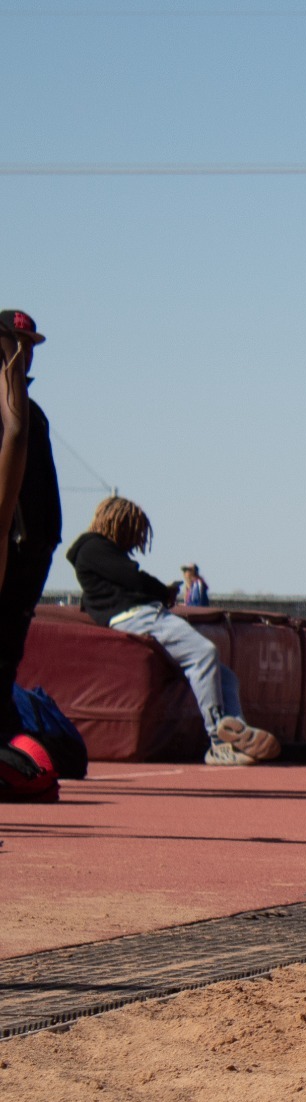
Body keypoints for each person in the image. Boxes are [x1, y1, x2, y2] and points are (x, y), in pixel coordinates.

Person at [66, 496, 280, 766]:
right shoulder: (94, 547)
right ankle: (218, 740)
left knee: (225, 678)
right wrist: (164, 591)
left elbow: (102, 593)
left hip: (140, 617)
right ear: (116, 524)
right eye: (133, 531)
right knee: (204, 653)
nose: (135, 540)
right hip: (141, 617)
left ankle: (236, 732)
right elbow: (134, 577)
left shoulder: (96, 558)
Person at [0, 309, 63, 800]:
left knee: (7, 657)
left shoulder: (31, 412)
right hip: (11, 550)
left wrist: (41, 545)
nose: (25, 352)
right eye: (15, 342)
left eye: (30, 343)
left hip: (29, 556)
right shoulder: (14, 415)